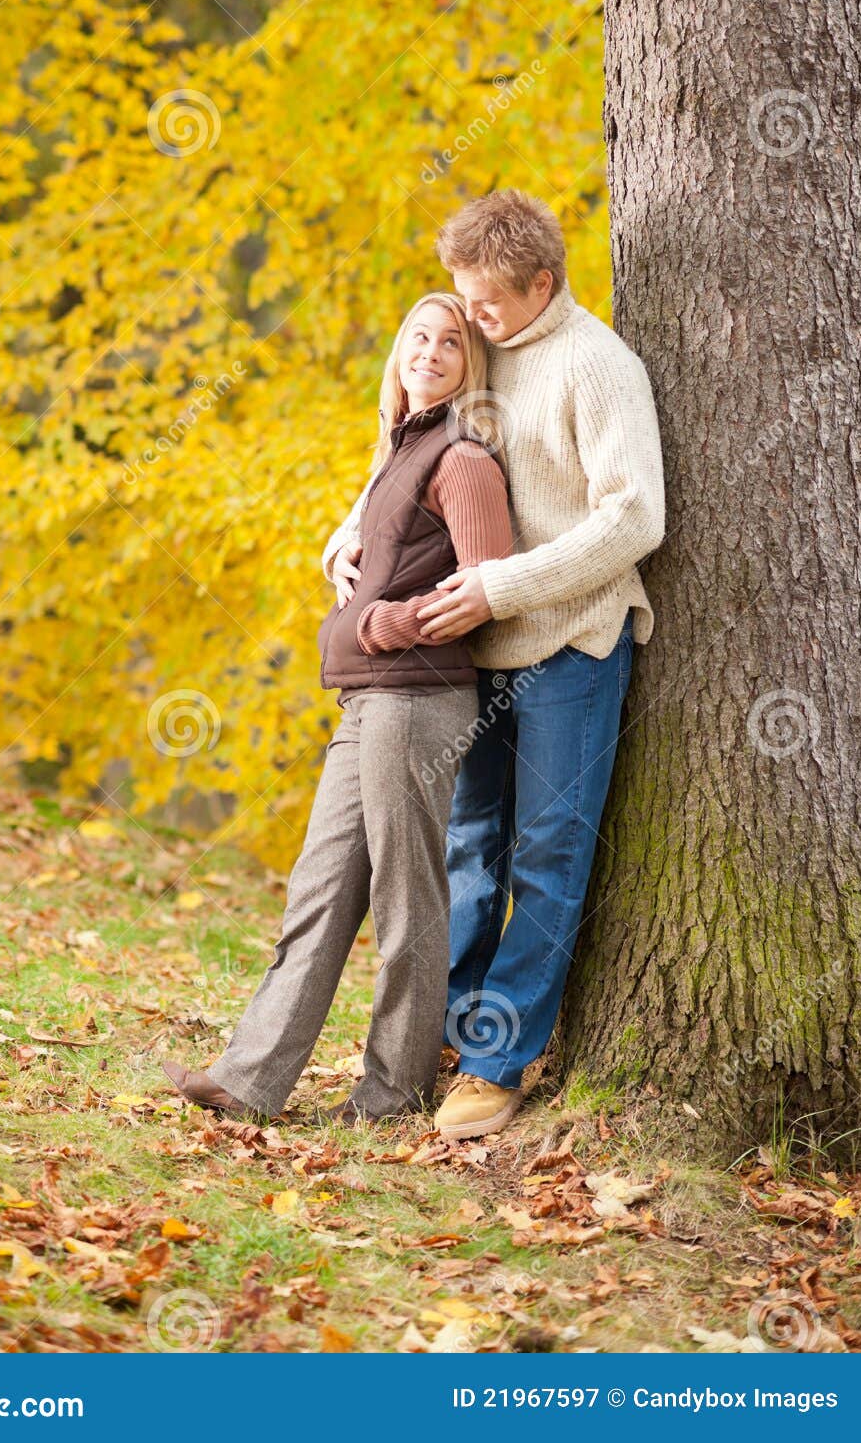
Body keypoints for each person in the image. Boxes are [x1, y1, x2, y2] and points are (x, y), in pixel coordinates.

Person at [323, 191, 665, 1138]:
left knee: (546, 858)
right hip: (470, 653)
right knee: (468, 845)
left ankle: (498, 1056)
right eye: (462, 301)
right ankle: (444, 1023)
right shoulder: (483, 357)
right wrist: (343, 544)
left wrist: (503, 587)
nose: (465, 318)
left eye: (484, 303)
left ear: (541, 285)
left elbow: (635, 516)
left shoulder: (596, 366)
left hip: (571, 646)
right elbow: (409, 455)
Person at [162, 291, 513, 1125]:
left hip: (417, 701)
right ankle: (249, 1080)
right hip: (369, 700)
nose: (429, 352)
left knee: (406, 901)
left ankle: (393, 1093)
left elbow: (489, 583)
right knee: (319, 893)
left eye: (451, 344)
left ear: (472, 367)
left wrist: (384, 621)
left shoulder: (461, 457)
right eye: (417, 337)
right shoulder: (403, 445)